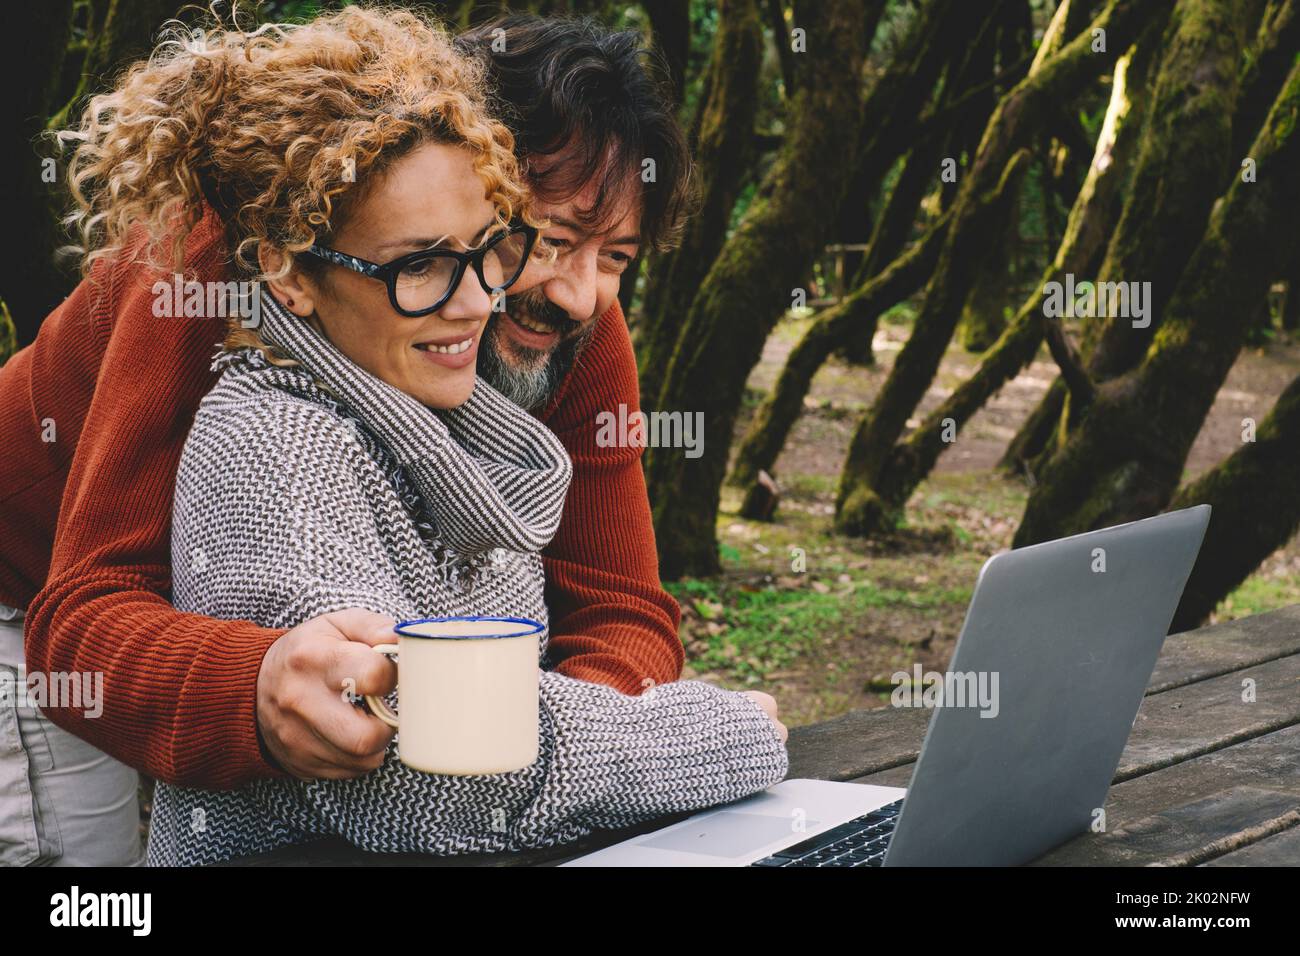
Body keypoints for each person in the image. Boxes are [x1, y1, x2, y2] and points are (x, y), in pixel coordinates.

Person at [0, 7, 786, 866]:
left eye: (618, 256)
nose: (580, 293)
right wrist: (255, 686)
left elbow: (620, 606)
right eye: (551, 238)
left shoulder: (560, 317)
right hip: (24, 582)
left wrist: (557, 755)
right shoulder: (219, 273)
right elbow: (81, 620)